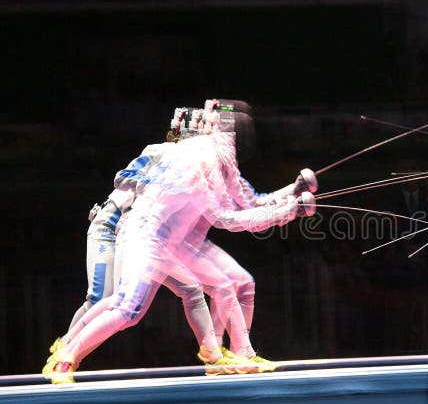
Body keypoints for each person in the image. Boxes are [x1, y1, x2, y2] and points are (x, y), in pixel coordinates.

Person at [43, 100, 314, 382]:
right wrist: (289, 211)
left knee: (219, 285)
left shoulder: (211, 160)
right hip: (144, 236)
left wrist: (292, 200)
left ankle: (230, 356)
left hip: (166, 243)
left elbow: (246, 201)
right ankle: (65, 357)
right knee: (127, 308)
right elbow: (228, 218)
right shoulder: (198, 161)